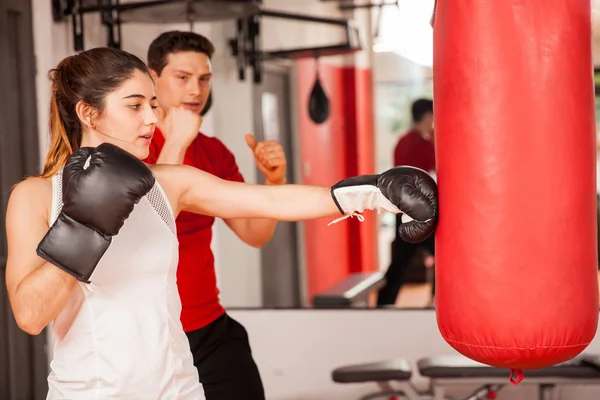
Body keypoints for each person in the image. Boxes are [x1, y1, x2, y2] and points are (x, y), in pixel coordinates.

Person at [4, 47, 437, 400]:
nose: (152, 119)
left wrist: (376, 191)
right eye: (135, 106)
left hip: (179, 390)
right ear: (89, 113)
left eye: (153, 104)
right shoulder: (36, 197)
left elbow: (267, 201)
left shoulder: (167, 184)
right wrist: (85, 224)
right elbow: (29, 315)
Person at [144, 31, 288, 399]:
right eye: (183, 77)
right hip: (149, 335)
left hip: (209, 327)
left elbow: (255, 234)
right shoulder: (127, 150)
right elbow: (146, 226)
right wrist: (175, 141)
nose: (196, 90)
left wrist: (274, 179)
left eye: (204, 79)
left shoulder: (215, 153)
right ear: (152, 79)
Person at [377, 98, 437, 307]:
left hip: (403, 211)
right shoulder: (422, 143)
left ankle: (384, 303)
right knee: (443, 256)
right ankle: (436, 299)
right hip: (418, 213)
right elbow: (436, 168)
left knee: (400, 263)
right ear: (427, 116)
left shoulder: (403, 141)